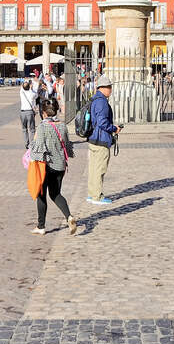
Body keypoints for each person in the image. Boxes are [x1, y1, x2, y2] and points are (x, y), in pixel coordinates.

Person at [28, 94, 78, 236]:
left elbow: (38, 149)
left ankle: (41, 226)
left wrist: (31, 154)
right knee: (56, 194)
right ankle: (69, 216)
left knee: (41, 194)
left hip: (47, 166)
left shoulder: (43, 127)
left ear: (43, 113)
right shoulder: (62, 126)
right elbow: (68, 146)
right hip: (60, 166)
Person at [83, 77, 118, 207]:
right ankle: (97, 196)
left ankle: (92, 193)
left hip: (93, 138)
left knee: (93, 168)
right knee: (99, 169)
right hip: (101, 139)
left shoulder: (94, 99)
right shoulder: (102, 102)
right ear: (104, 88)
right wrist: (114, 128)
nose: (111, 90)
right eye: (109, 87)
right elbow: (102, 122)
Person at [19, 79, 38, 147]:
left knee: (24, 129)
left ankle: (26, 143)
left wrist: (26, 83)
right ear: (29, 86)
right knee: (32, 129)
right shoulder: (32, 93)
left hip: (23, 112)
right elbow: (36, 96)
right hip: (30, 112)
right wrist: (31, 87)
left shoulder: (22, 92)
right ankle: (32, 143)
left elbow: (22, 87)